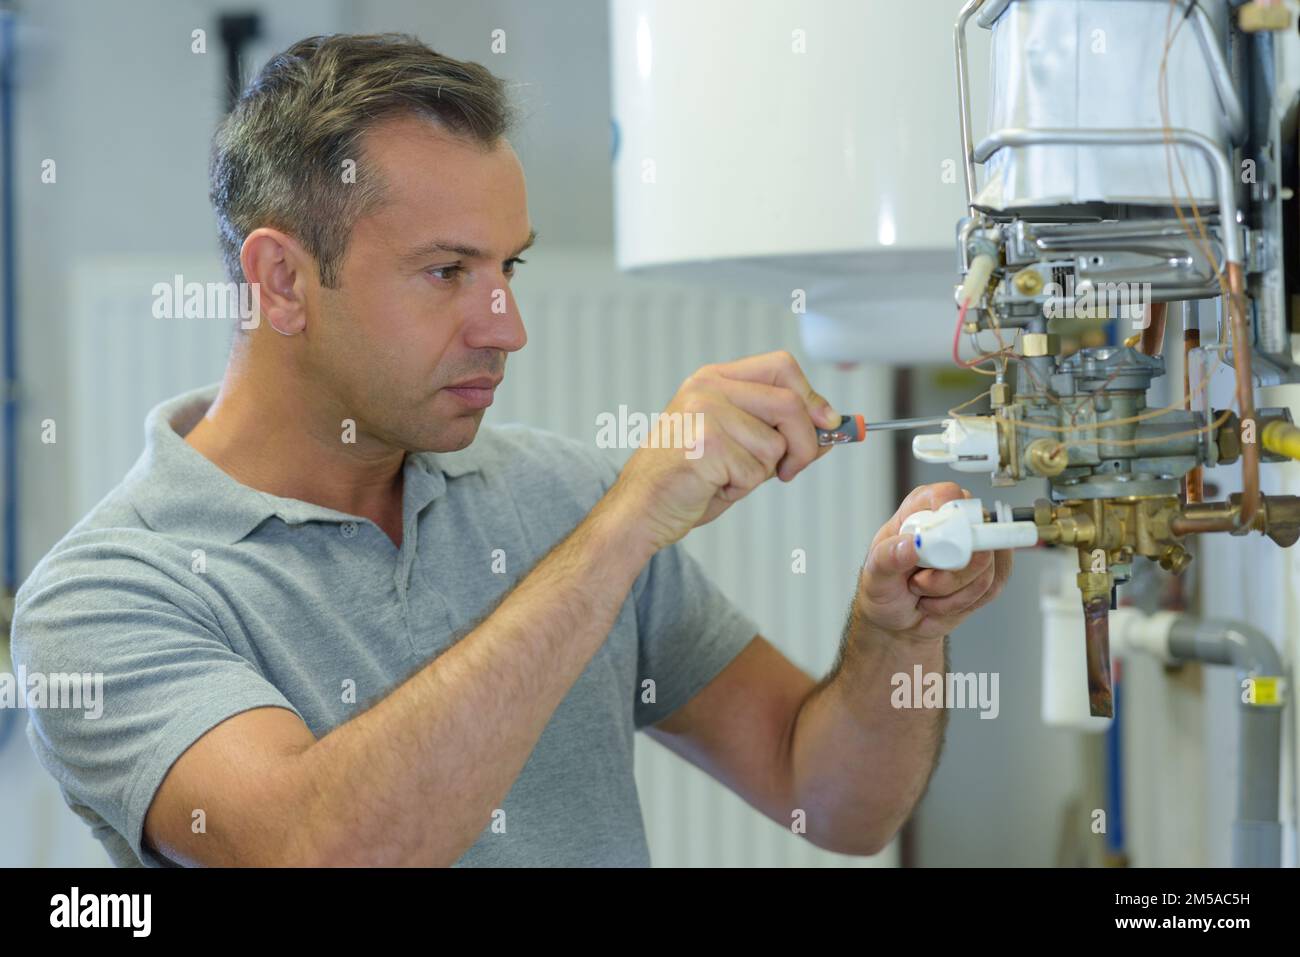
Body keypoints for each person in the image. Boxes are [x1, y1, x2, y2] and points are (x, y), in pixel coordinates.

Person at [11, 33, 1011, 867]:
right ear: (280, 281)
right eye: (446, 270)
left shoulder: (558, 492)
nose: (505, 326)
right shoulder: (105, 599)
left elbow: (830, 802)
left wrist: (896, 635)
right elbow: (313, 849)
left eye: (508, 266)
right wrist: (619, 532)